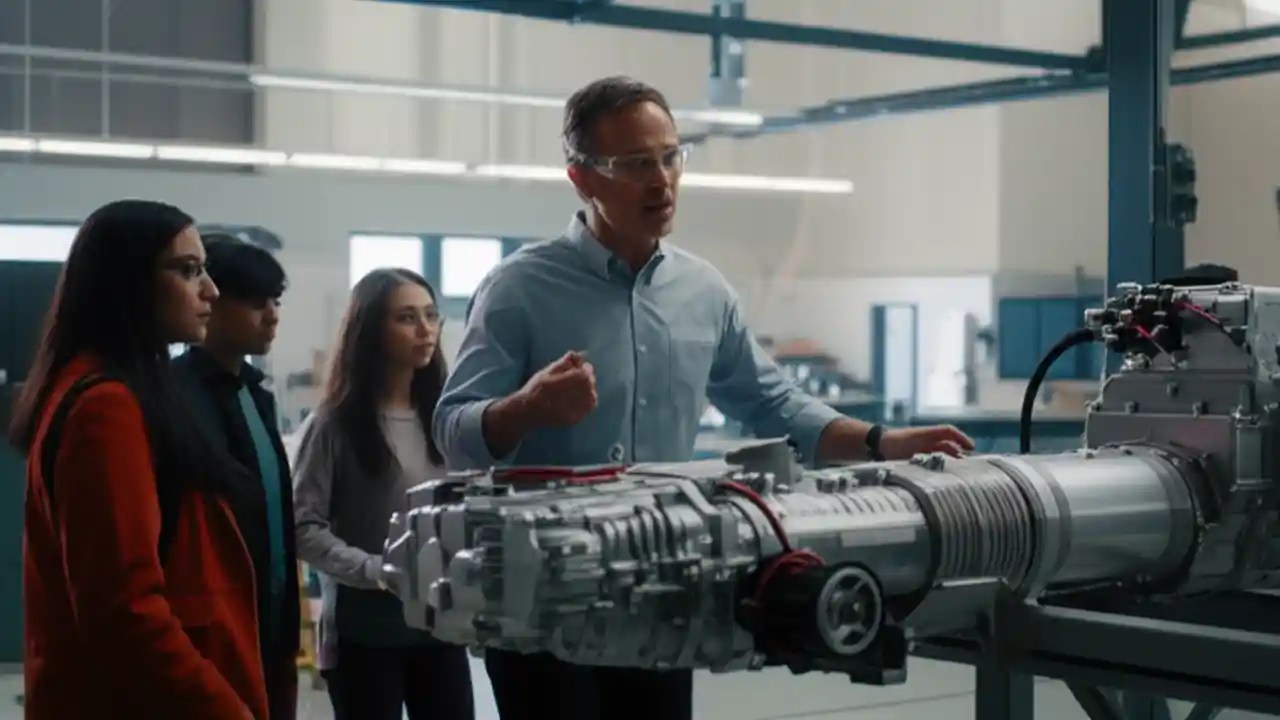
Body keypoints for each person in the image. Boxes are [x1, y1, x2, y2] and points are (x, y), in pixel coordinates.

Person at [433, 75, 976, 720]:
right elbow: (451, 428)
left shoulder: (702, 291)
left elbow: (773, 400)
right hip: (546, 593)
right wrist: (525, 409)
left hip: (664, 587)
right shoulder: (520, 288)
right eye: (636, 163)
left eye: (670, 156)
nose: (661, 180)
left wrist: (881, 441)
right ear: (582, 179)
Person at [8, 199, 266, 719]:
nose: (210, 290)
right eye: (187, 271)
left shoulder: (124, 390)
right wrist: (224, 708)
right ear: (127, 283)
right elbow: (123, 610)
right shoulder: (105, 406)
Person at [292, 268, 474, 720]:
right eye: (407, 318)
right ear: (371, 329)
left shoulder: (447, 421)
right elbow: (304, 525)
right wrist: (373, 570)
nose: (425, 329)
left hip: (441, 630)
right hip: (364, 634)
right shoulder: (334, 426)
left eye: (431, 316)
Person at [172, 234, 300, 720]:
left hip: (269, 618)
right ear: (210, 300)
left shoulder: (256, 396)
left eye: (276, 302)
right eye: (254, 302)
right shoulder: (175, 398)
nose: (271, 315)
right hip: (211, 626)